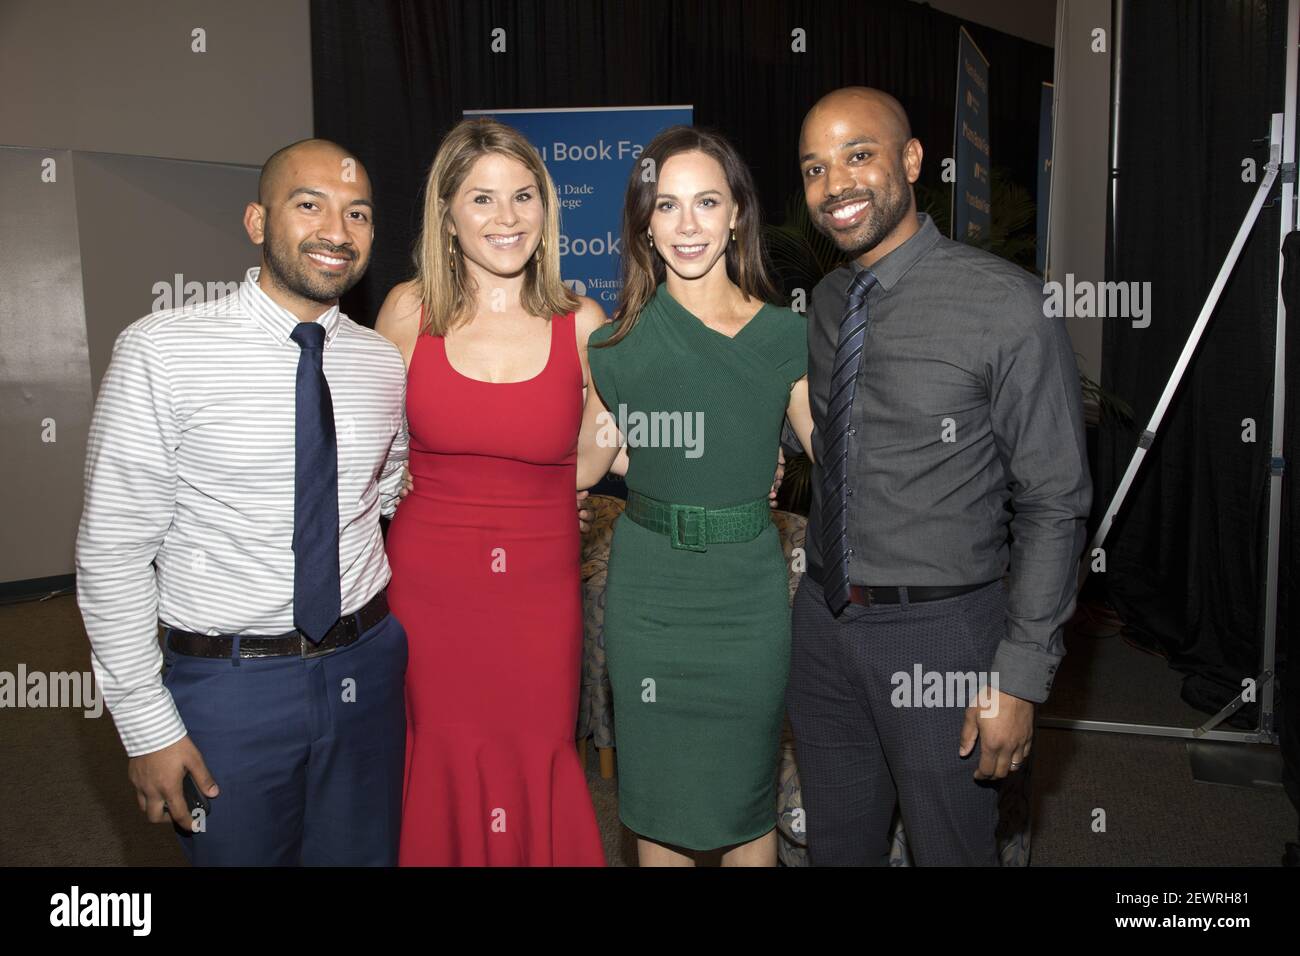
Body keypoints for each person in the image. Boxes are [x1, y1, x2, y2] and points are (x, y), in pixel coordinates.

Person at [76, 138, 410, 865]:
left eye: (357, 213)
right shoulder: (161, 351)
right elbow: (112, 553)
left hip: (368, 668)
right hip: (229, 689)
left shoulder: (382, 362)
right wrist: (145, 725)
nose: (336, 229)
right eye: (309, 204)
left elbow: (385, 490)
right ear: (258, 222)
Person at [785, 86, 1092, 865]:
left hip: (941, 640)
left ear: (912, 160)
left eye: (860, 155)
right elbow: (830, 446)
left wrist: (1019, 678)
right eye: (816, 168)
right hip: (823, 630)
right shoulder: (824, 303)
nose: (837, 184)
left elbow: (1055, 501)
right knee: (837, 850)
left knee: (950, 852)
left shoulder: (1006, 305)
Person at [577, 126, 816, 866]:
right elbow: (586, 460)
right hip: (649, 595)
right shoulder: (613, 345)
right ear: (644, 223)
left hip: (746, 592)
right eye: (668, 205)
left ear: (736, 213)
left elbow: (841, 457)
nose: (687, 225)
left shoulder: (785, 335)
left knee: (749, 801)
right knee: (655, 804)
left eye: (706, 202)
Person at [376, 118, 607, 866]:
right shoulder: (409, 311)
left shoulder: (582, 323)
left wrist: (540, 492)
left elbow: (605, 438)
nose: (506, 218)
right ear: (446, 213)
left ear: (547, 208)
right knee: (440, 744)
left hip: (539, 587)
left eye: (523, 196)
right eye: (481, 199)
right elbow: (363, 439)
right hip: (429, 583)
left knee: (535, 743)